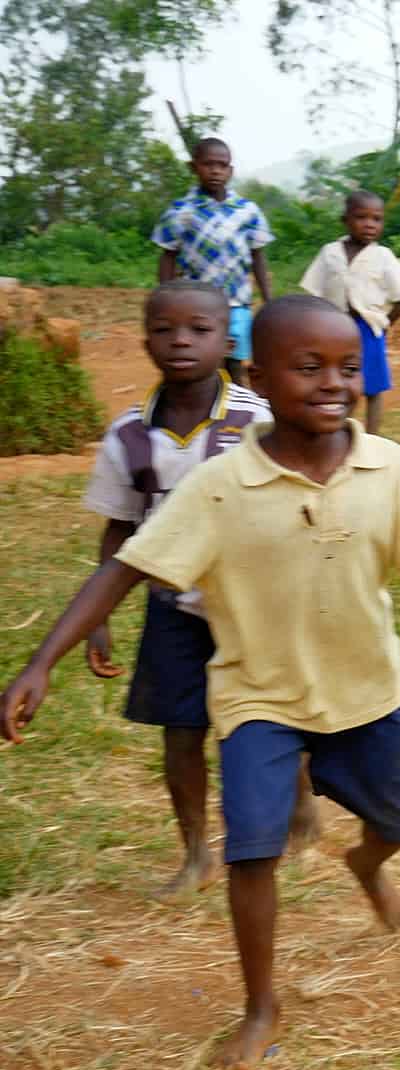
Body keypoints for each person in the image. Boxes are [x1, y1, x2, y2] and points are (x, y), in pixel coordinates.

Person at [2, 295, 400, 1070]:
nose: (334, 383)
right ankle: (262, 1005)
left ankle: (367, 863)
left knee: (398, 820)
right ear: (258, 378)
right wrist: (41, 661)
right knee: (253, 853)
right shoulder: (219, 485)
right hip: (258, 699)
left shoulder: (387, 465)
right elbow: (125, 568)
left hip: (366, 694)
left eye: (348, 367)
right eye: (309, 367)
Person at [71, 281, 320, 901]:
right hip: (173, 607)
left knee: (273, 716)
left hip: (258, 607)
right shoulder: (128, 435)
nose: (181, 341)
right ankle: (195, 854)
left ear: (226, 340)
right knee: (180, 733)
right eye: (164, 330)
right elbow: (120, 529)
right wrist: (98, 619)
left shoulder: (259, 419)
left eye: (199, 330)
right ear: (144, 341)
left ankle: (300, 803)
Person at [153, 136, 274, 387]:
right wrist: (164, 298)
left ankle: (237, 408)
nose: (216, 171)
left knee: (235, 363)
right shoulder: (180, 211)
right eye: (208, 164)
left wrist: (268, 300)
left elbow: (258, 256)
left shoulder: (247, 211)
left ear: (230, 170)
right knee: (204, 363)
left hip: (237, 304)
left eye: (222, 165)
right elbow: (168, 256)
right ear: (193, 167)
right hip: (195, 305)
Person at [298, 190, 400, 435]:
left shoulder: (383, 256)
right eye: (361, 217)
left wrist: (385, 323)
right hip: (332, 331)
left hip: (368, 330)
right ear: (345, 220)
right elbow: (313, 292)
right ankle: (338, 431)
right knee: (337, 383)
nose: (369, 224)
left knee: (372, 387)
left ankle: (372, 438)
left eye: (377, 219)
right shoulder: (330, 253)